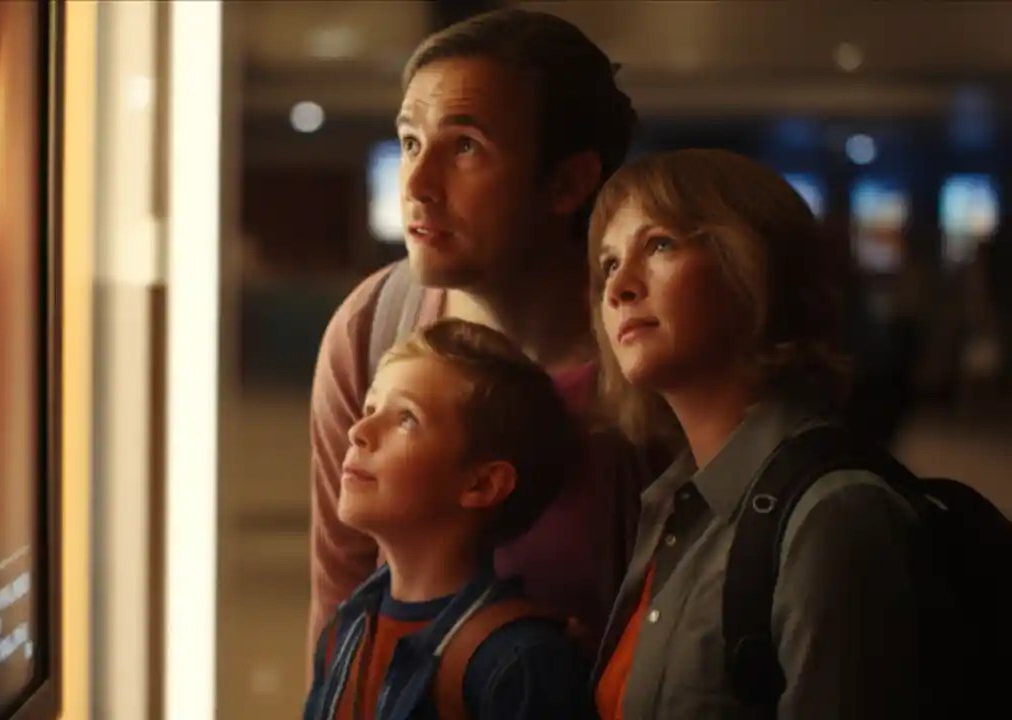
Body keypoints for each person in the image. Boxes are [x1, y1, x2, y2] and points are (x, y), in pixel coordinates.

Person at [308, 7, 654, 663]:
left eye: (465, 147)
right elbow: (340, 602)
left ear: (569, 181)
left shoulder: (650, 354)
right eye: (411, 142)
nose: (418, 185)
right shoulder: (373, 328)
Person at [587, 149, 925, 718]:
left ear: (753, 264)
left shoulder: (833, 513)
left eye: (660, 244)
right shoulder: (676, 500)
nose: (619, 286)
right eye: (608, 263)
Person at [304, 319, 590, 719]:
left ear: (482, 484)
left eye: (406, 419)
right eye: (370, 408)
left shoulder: (519, 661)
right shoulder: (346, 630)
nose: (360, 431)